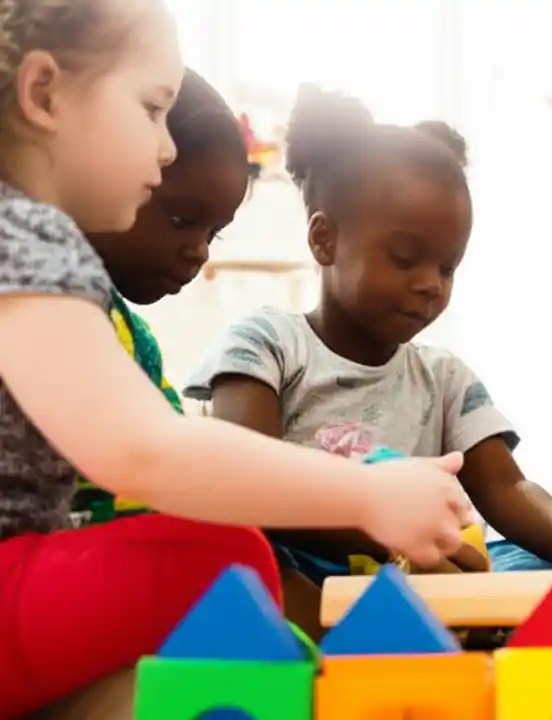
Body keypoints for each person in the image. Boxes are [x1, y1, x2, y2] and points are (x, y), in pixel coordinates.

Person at [0, 2, 471, 713]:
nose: (164, 148)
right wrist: (369, 495)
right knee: (232, 558)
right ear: (44, 95)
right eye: (153, 108)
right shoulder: (24, 240)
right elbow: (142, 452)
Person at [185, 87, 552, 638]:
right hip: (297, 573)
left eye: (448, 267)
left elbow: (505, 487)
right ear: (324, 239)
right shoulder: (266, 345)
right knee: (241, 556)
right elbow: (245, 478)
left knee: (520, 566)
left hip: (407, 581)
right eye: (405, 259)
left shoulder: (445, 379)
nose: (431, 284)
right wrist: (374, 528)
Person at [71, 67, 252, 528]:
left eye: (215, 233)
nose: (199, 250)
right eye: (181, 219)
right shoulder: (51, 311)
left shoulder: (131, 338)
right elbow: (162, 460)